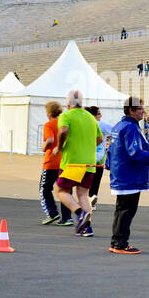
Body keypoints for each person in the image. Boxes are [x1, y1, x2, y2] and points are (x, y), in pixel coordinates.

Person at [107, 96, 149, 254]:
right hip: (129, 175)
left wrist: (110, 166)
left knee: (121, 210)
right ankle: (121, 244)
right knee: (127, 210)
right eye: (140, 109)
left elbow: (110, 151)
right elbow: (134, 152)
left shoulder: (119, 126)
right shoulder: (131, 128)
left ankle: (116, 242)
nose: (143, 112)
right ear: (131, 110)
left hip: (121, 174)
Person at [55, 90, 103, 236]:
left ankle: (80, 213)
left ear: (68, 103)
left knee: (60, 190)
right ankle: (86, 228)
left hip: (72, 162)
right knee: (83, 194)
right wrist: (87, 147)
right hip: (89, 162)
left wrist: (59, 146)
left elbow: (63, 131)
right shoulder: (90, 117)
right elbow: (100, 139)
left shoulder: (66, 115)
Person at [38, 101, 68, 225]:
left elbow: (50, 140)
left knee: (44, 189)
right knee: (65, 189)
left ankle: (52, 213)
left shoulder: (49, 124)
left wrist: (44, 147)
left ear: (48, 112)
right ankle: (67, 217)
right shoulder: (63, 124)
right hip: (64, 161)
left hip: (51, 162)